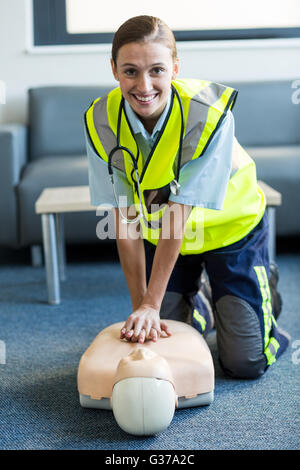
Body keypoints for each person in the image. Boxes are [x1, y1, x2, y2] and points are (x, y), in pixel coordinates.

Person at [84, 15, 290, 379]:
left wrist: (152, 301)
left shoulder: (208, 115)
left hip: (232, 233)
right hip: (166, 240)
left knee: (244, 363)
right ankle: (207, 305)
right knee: (164, 336)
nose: (144, 85)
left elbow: (179, 214)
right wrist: (141, 309)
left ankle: (263, 297)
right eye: (130, 71)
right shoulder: (101, 119)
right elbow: (125, 218)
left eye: (157, 70)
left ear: (175, 68)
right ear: (113, 69)